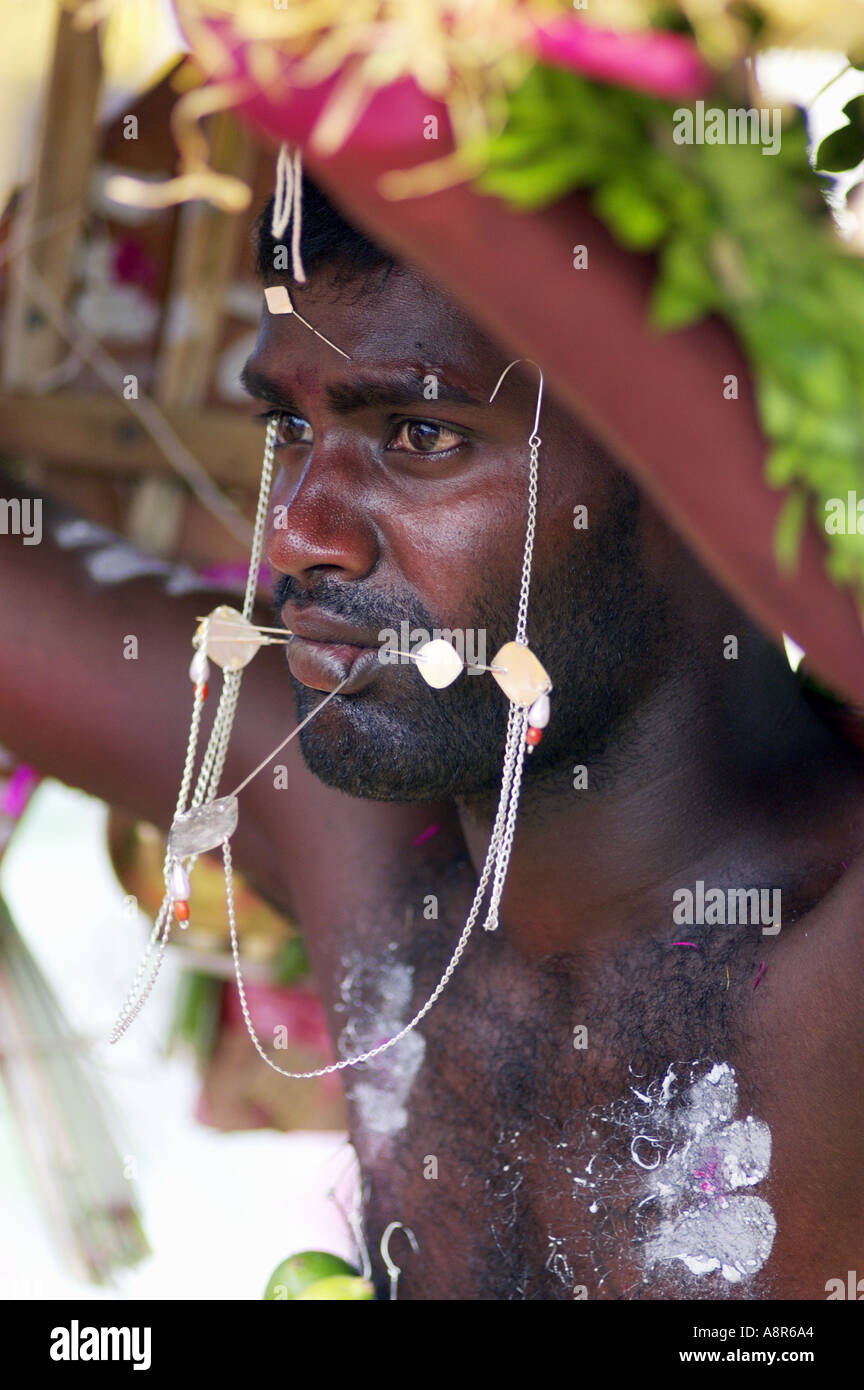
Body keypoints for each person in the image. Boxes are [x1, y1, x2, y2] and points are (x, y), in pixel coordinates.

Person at [2, 177, 864, 1301]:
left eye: (420, 433)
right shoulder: (357, 838)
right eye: (290, 428)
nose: (296, 532)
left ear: (704, 472)